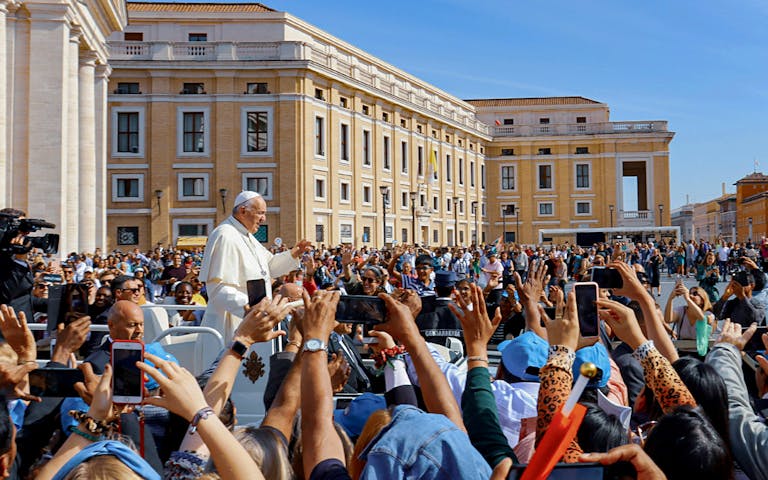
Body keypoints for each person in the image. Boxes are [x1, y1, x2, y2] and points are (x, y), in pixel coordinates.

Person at [199, 191, 310, 343]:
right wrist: (251, 309)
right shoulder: (225, 235)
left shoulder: (247, 235)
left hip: (254, 321)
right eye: (260, 213)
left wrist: (293, 254)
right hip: (230, 325)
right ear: (243, 211)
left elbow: (269, 267)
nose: (264, 219)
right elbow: (217, 289)